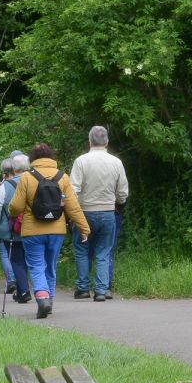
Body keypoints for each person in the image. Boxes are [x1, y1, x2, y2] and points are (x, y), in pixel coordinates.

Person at [8, 142, 91, 319]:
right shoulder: (62, 177)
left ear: (32, 159)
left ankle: (42, 297)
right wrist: (84, 229)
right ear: (51, 157)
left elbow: (15, 207)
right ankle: (49, 302)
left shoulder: (26, 177)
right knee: (50, 267)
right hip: (56, 231)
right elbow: (73, 207)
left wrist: (12, 211)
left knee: (36, 265)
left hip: (32, 231)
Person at [70, 125, 129, 301]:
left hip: (84, 212)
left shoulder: (81, 161)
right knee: (104, 251)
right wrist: (118, 203)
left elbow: (73, 190)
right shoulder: (116, 162)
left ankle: (82, 288)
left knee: (81, 249)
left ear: (89, 141)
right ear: (107, 142)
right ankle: (101, 290)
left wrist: (73, 211)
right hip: (107, 212)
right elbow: (123, 192)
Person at [0, 153, 32, 303]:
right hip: (32, 227)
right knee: (27, 259)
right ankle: (24, 289)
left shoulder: (5, 186)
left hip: (12, 229)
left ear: (13, 169)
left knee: (15, 259)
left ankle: (24, 290)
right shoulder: (34, 181)